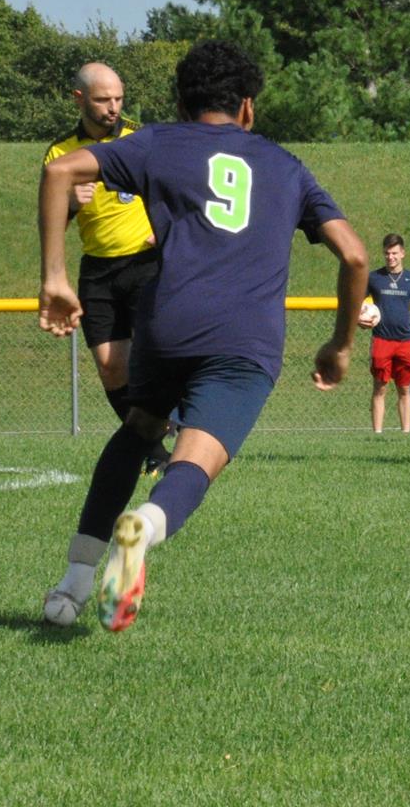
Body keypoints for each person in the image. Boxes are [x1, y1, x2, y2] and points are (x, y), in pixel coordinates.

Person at [37, 40, 369, 630]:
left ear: (182, 103)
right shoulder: (285, 166)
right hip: (243, 338)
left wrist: (55, 278)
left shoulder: (156, 143)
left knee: (139, 428)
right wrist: (340, 345)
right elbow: (355, 256)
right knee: (195, 458)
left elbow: (60, 170)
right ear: (247, 106)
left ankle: (73, 584)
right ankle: (143, 527)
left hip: (165, 324)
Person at [42, 62, 172, 474]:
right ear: (79, 99)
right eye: (103, 100)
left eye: (118, 98)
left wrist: (165, 230)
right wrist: (70, 203)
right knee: (110, 366)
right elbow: (50, 222)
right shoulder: (61, 153)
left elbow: (179, 191)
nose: (113, 107)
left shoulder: (141, 139)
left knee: (158, 355)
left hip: (146, 264)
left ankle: (181, 431)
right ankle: (155, 447)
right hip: (98, 271)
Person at [366, 233, 410, 433]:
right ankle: (377, 434)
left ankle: (405, 434)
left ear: (402, 253)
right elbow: (356, 303)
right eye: (387, 253)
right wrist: (360, 320)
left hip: (405, 341)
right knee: (380, 387)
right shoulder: (374, 278)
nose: (390, 257)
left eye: (394, 253)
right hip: (381, 340)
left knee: (404, 388)